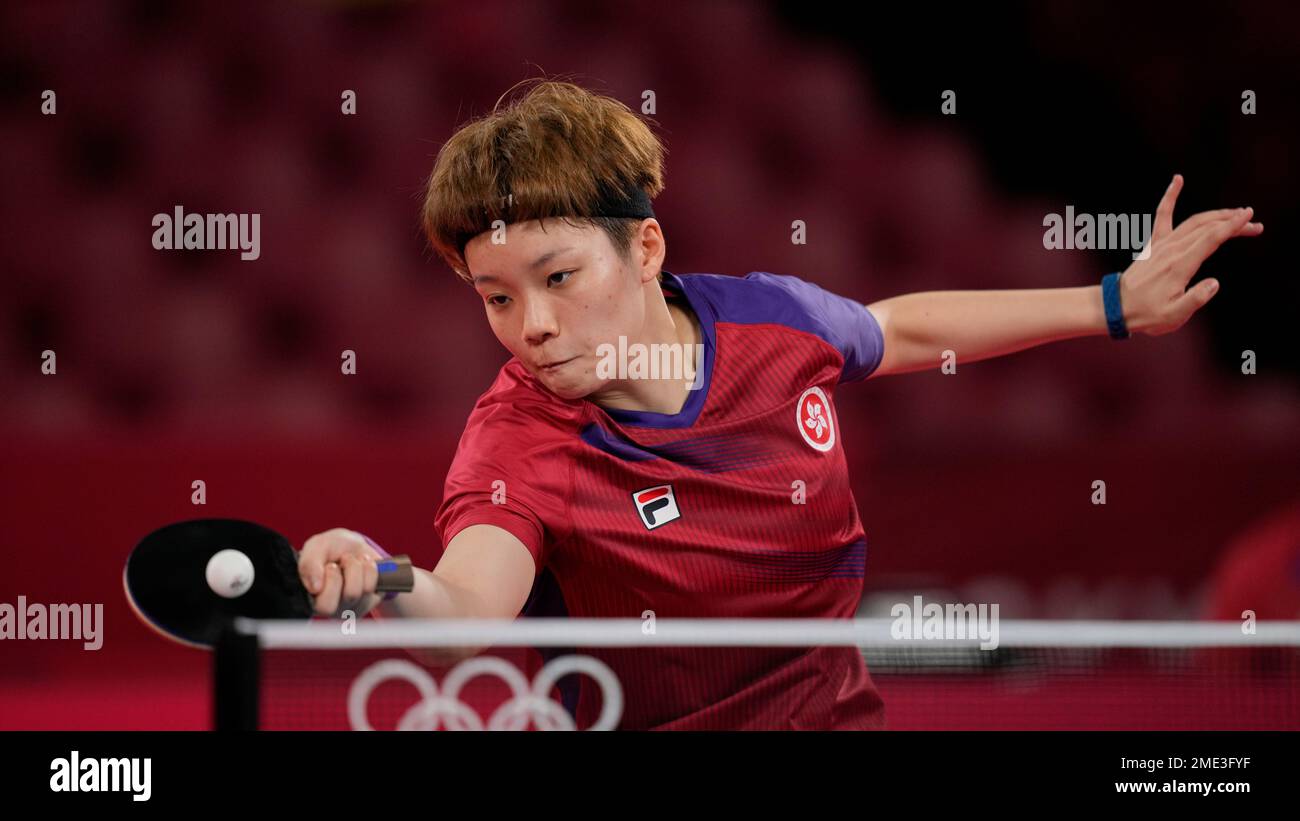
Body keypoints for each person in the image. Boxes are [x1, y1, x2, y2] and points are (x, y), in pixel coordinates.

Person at [296, 79, 1262, 729]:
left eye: (558, 275)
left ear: (644, 250)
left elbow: (906, 329)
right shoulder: (520, 440)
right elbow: (466, 608)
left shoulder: (772, 325)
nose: (532, 326)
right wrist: (383, 577)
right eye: (496, 297)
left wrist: (1113, 305)